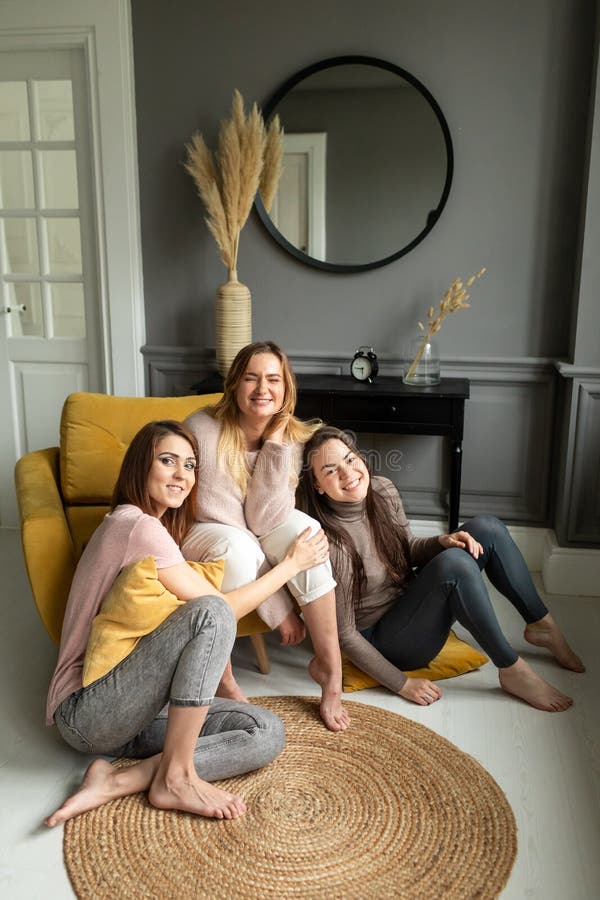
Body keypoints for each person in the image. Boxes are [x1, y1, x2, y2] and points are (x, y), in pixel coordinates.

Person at [45, 420, 330, 827]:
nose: (182, 474)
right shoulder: (136, 525)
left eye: (191, 465)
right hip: (87, 711)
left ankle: (118, 780)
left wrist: (228, 689)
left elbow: (185, 633)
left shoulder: (156, 529)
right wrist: (291, 565)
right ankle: (176, 777)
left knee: (264, 730)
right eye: (168, 461)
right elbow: (217, 611)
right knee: (212, 611)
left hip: (134, 712)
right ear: (140, 466)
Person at [298, 426, 585, 713]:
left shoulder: (382, 489)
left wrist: (441, 541)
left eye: (350, 459)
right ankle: (512, 669)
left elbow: (405, 548)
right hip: (390, 643)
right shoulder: (332, 544)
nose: (349, 474)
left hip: (411, 600)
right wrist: (402, 683)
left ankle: (541, 624)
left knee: (488, 528)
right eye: (331, 470)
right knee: (455, 563)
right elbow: (345, 634)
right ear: (318, 485)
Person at [183, 342, 349, 732]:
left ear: (286, 387)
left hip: (248, 527)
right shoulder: (203, 429)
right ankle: (223, 681)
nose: (263, 388)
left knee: (306, 531)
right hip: (200, 529)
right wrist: (279, 608)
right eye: (252, 378)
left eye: (273, 379)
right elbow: (227, 517)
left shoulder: (289, 437)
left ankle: (330, 670)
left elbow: (263, 516)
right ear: (235, 385)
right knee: (238, 550)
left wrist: (275, 445)